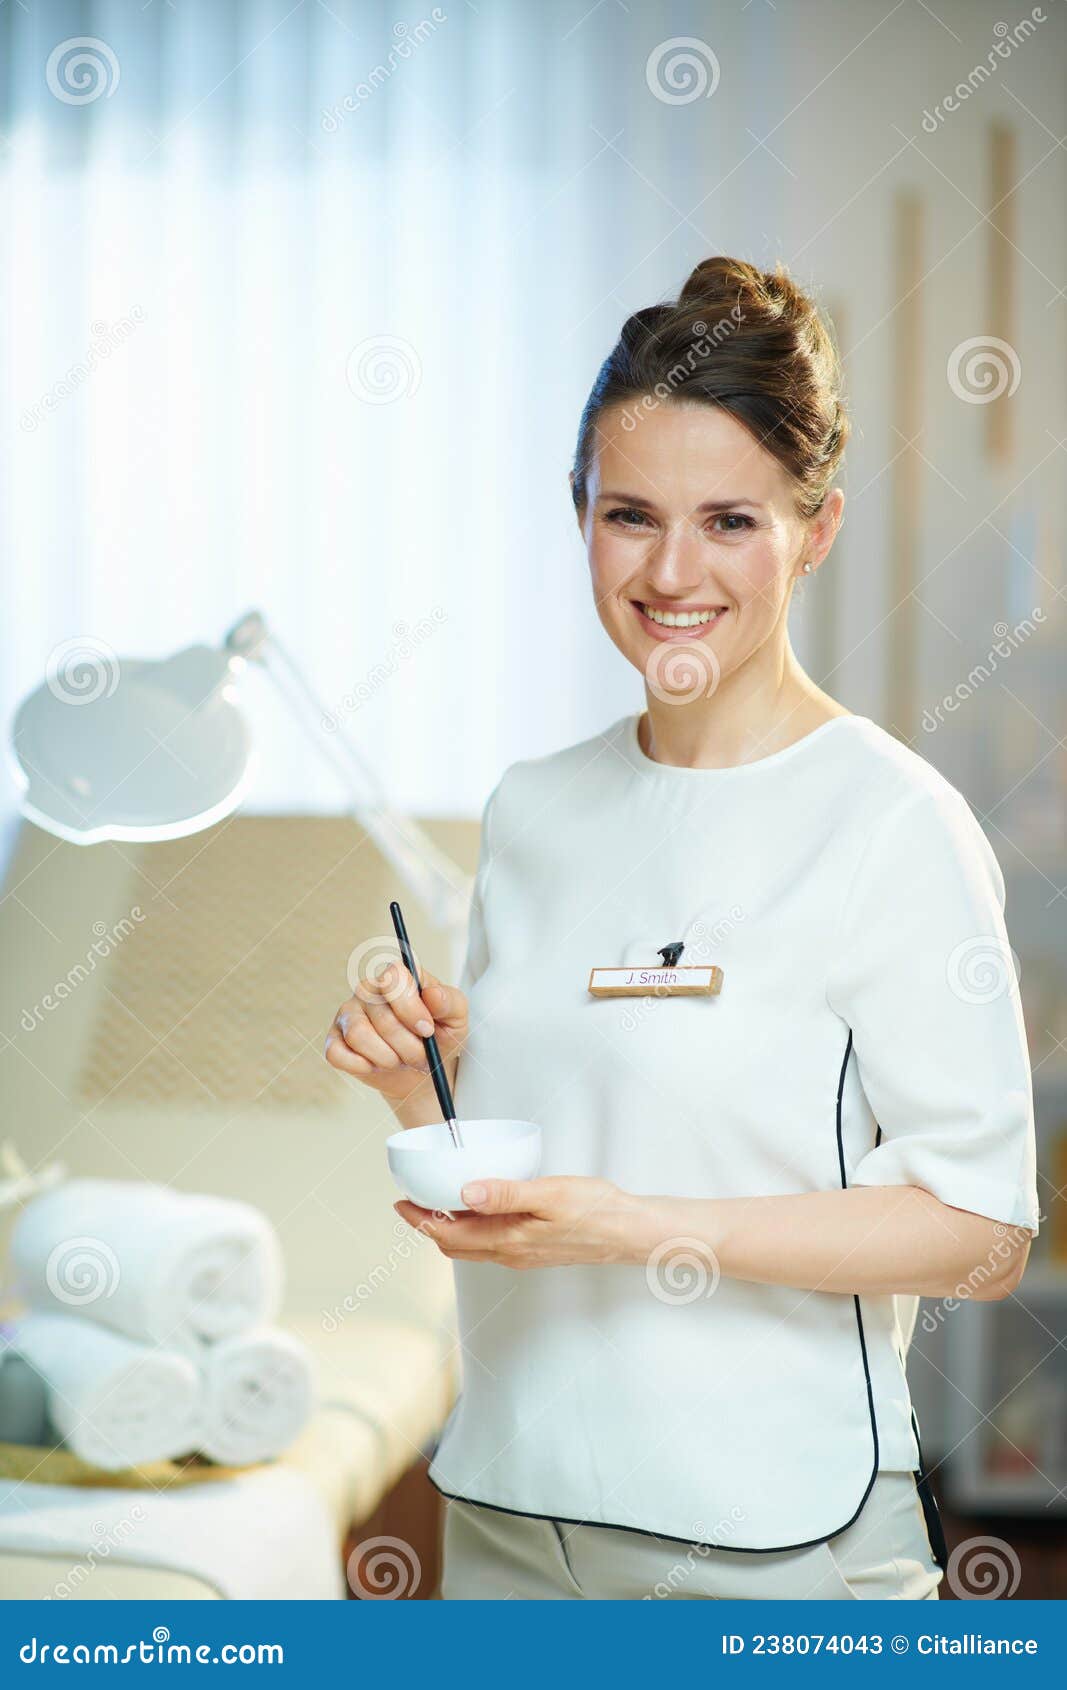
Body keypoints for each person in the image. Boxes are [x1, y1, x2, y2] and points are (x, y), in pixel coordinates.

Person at [325, 256, 1039, 1600]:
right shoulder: (536, 807)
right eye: (630, 515)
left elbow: (981, 1231)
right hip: (511, 1513)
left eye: (729, 521)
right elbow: (573, 1145)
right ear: (580, 518)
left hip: (781, 1539)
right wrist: (431, 1081)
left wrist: (635, 1226)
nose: (670, 571)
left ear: (815, 531)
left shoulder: (889, 822)